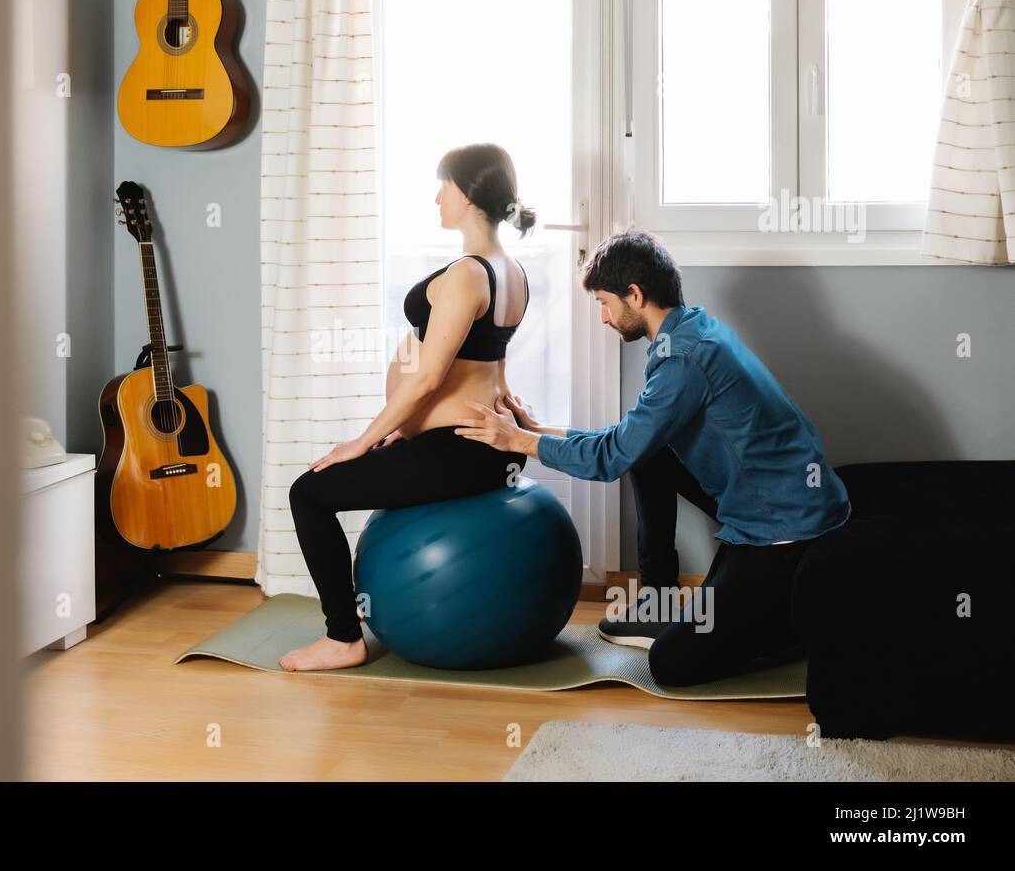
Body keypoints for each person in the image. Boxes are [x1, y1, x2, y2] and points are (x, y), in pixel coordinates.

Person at [454, 228, 851, 686]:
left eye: (604, 303)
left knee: (672, 664)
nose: (603, 318)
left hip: (783, 524)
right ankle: (659, 597)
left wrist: (515, 442)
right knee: (650, 454)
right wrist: (537, 429)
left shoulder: (683, 359)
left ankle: (787, 627)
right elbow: (631, 440)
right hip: (778, 495)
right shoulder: (692, 329)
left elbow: (611, 458)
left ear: (635, 295)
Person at [279, 143, 535, 672]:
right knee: (322, 487)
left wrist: (362, 442)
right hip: (480, 446)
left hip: (462, 450)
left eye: (443, 185)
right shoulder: (511, 271)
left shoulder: (468, 273)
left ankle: (342, 638)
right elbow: (492, 366)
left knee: (308, 493)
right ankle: (344, 634)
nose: (436, 196)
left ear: (465, 194)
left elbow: (425, 381)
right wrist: (408, 433)